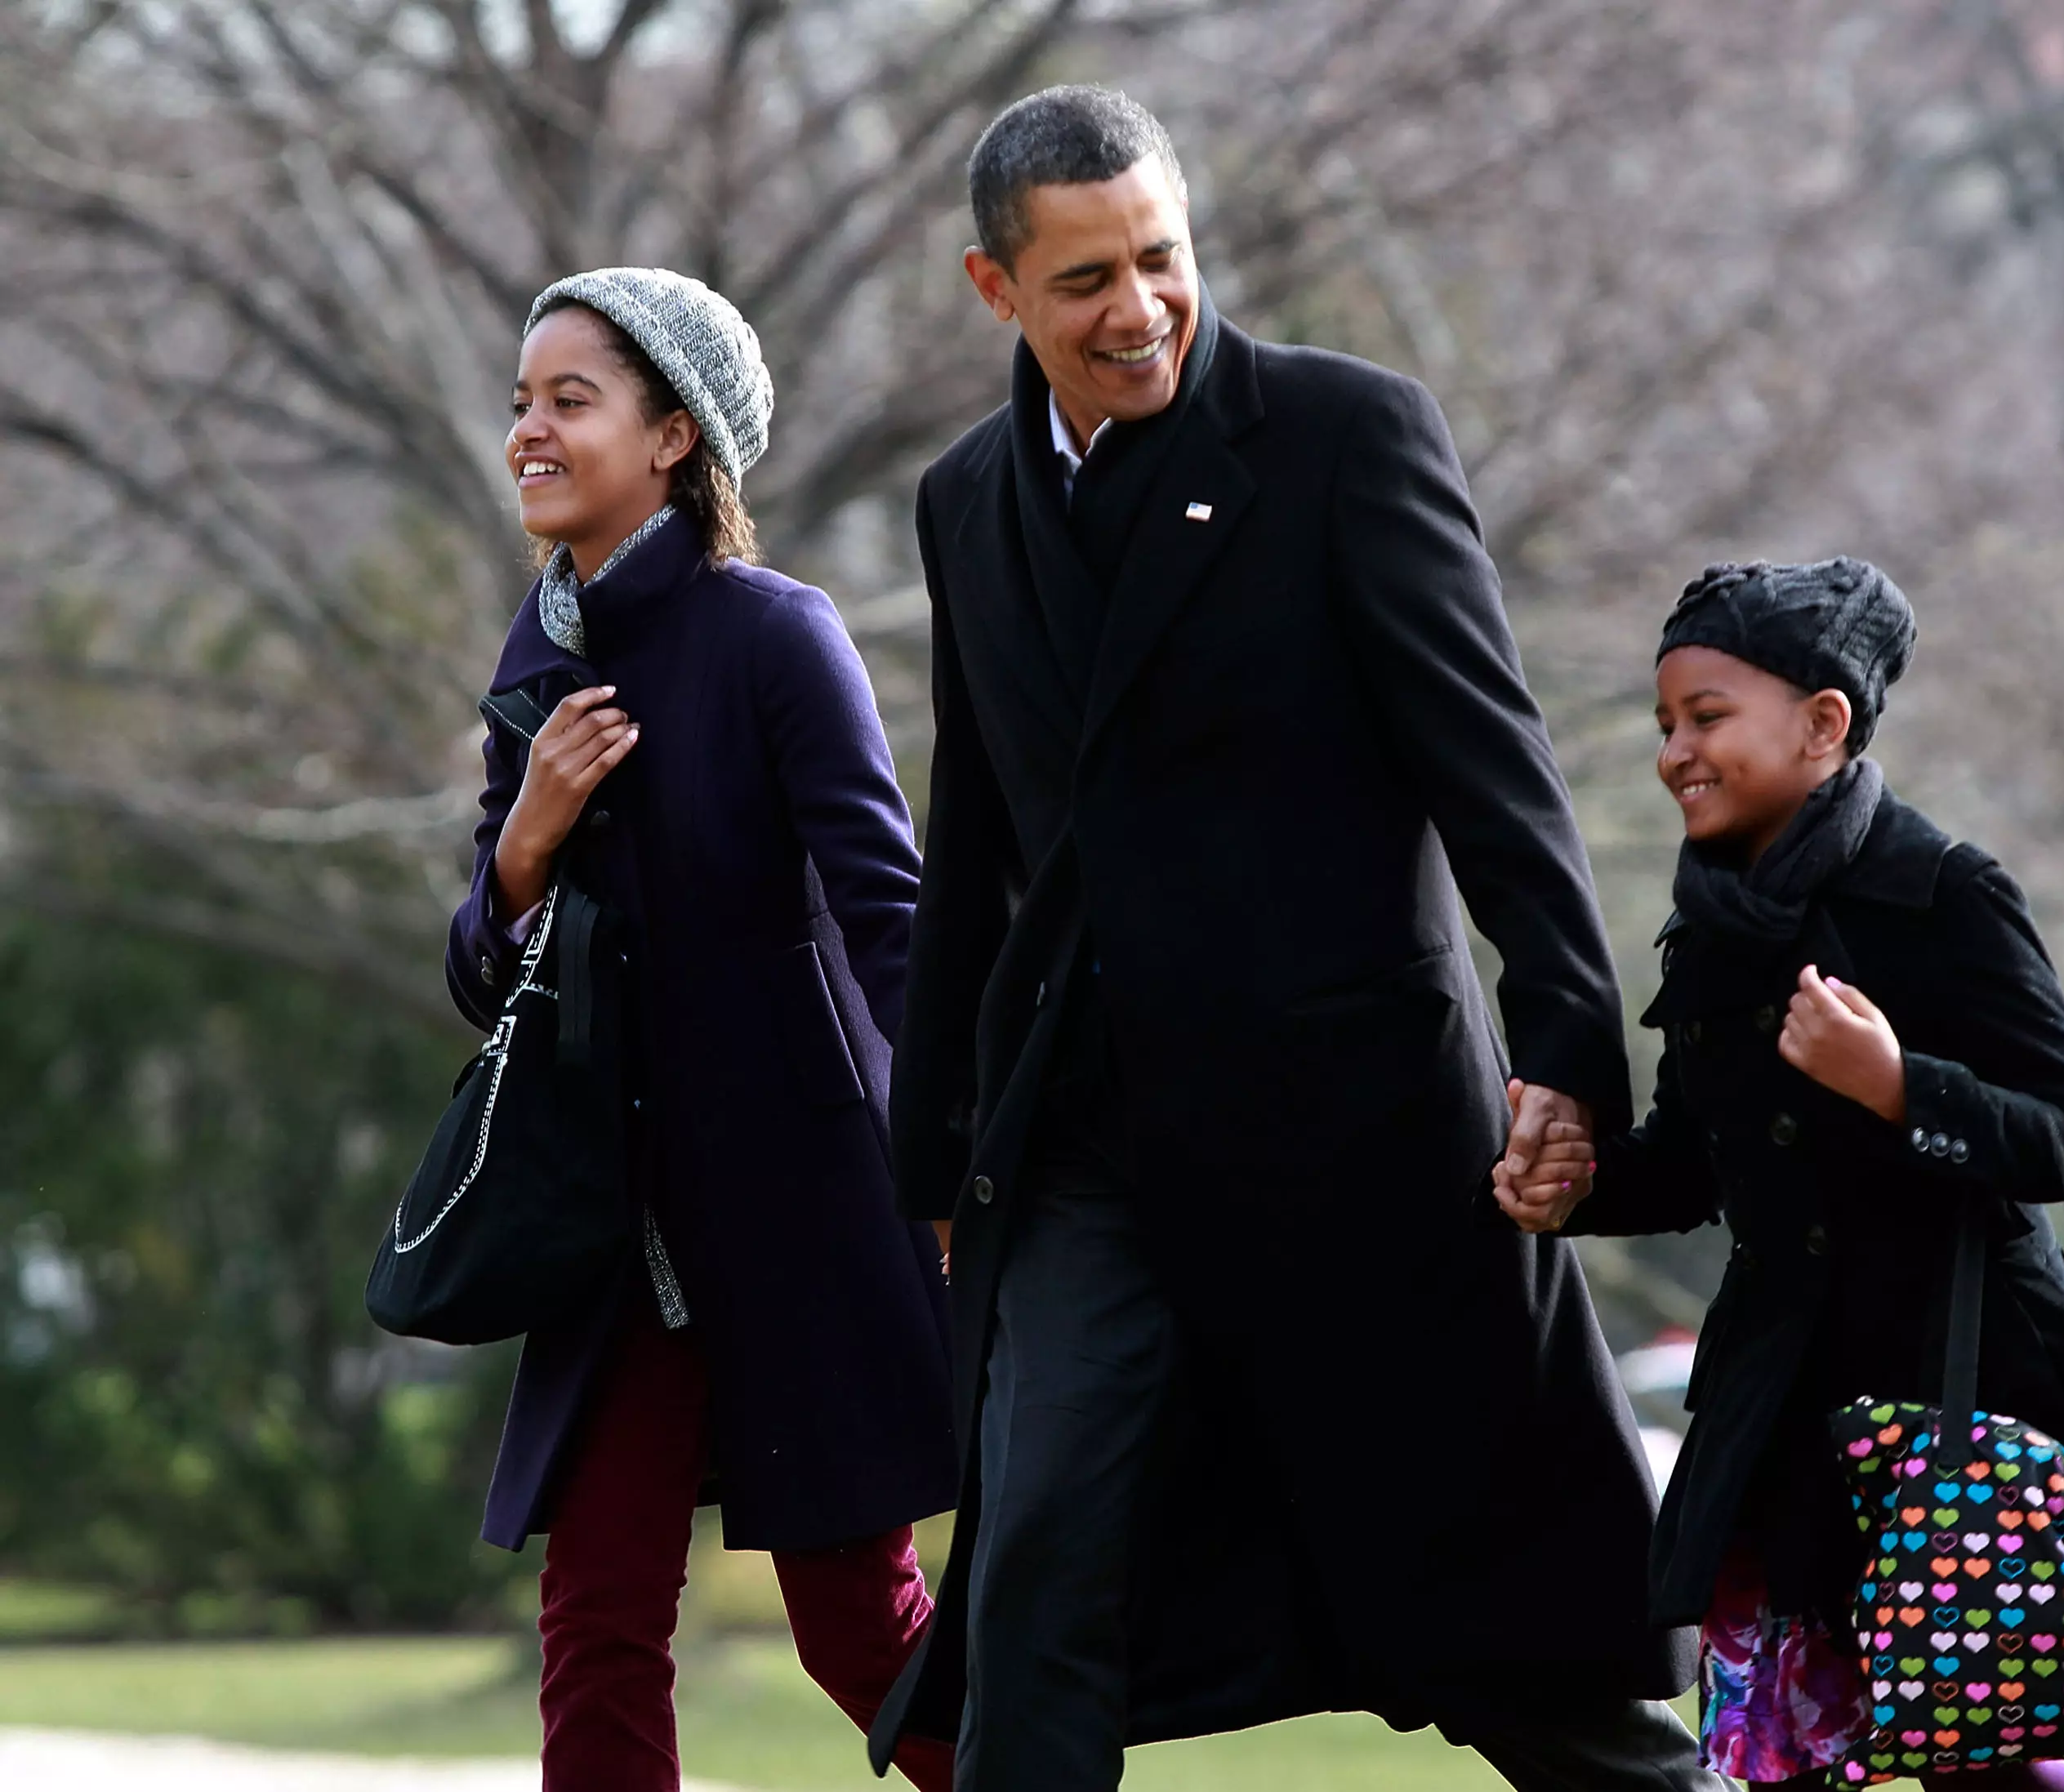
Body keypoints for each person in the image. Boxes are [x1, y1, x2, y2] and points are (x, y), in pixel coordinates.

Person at [868, 84, 1726, 1792]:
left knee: (1489, 1621)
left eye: (1161, 259)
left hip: (1364, 1138)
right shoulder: (967, 501)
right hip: (1094, 1145)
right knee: (1037, 1563)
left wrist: (1564, 1051)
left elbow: (1495, 772)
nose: (1138, 311)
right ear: (996, 291)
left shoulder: (1345, 437)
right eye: (1086, 280)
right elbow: (981, 843)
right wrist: (937, 1155)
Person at [1494, 559, 2064, 1792]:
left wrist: (1899, 1085)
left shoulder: (1944, 892)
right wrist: (1575, 1188)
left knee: (1991, 1762)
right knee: (1783, 1756)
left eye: (1708, 717)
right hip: (1785, 1425)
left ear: (1823, 723)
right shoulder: (1709, 923)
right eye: (1665, 724)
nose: (1677, 749)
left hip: (1962, 1410)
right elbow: (1692, 1170)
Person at [444, 267, 958, 1792]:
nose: (530, 428)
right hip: (613, 1232)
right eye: (522, 400)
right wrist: (526, 838)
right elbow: (482, 970)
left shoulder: (777, 635)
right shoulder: (533, 667)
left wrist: (945, 1159)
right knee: (596, 1618)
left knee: (856, 1629)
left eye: (569, 398)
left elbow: (892, 918)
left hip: (798, 1208)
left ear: (674, 435)